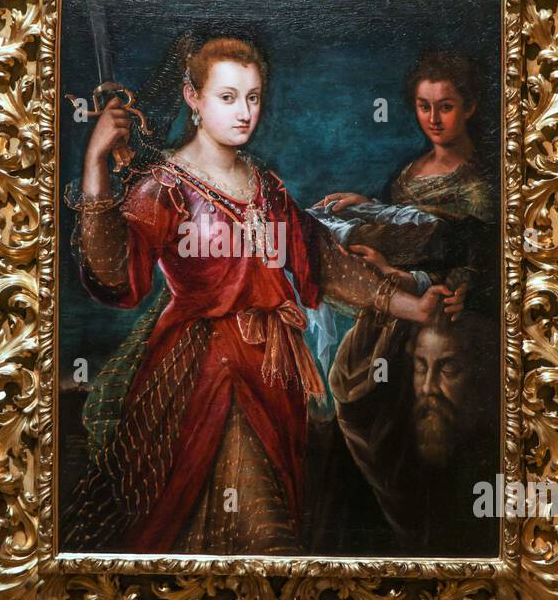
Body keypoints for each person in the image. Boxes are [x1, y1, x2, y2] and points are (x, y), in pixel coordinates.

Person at [61, 34, 465, 556]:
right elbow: (119, 279)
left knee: (271, 522)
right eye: (227, 97)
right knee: (255, 530)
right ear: (193, 98)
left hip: (275, 376)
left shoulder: (266, 187)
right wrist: (95, 168)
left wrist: (414, 305)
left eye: (252, 98)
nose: (244, 112)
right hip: (203, 376)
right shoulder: (163, 187)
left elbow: (325, 263)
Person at [308, 51, 498, 550]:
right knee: (342, 379)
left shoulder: (480, 186)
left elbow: (469, 264)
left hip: (436, 316)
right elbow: (401, 222)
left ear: (471, 107)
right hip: (395, 301)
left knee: (382, 413)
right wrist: (364, 205)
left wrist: (398, 275)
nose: (433, 119)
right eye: (423, 106)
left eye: (447, 106)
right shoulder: (411, 168)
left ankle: (411, 534)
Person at [328, 310, 500, 557]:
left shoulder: (494, 457)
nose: (429, 386)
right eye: (421, 367)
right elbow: (350, 389)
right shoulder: (392, 449)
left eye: (448, 368)